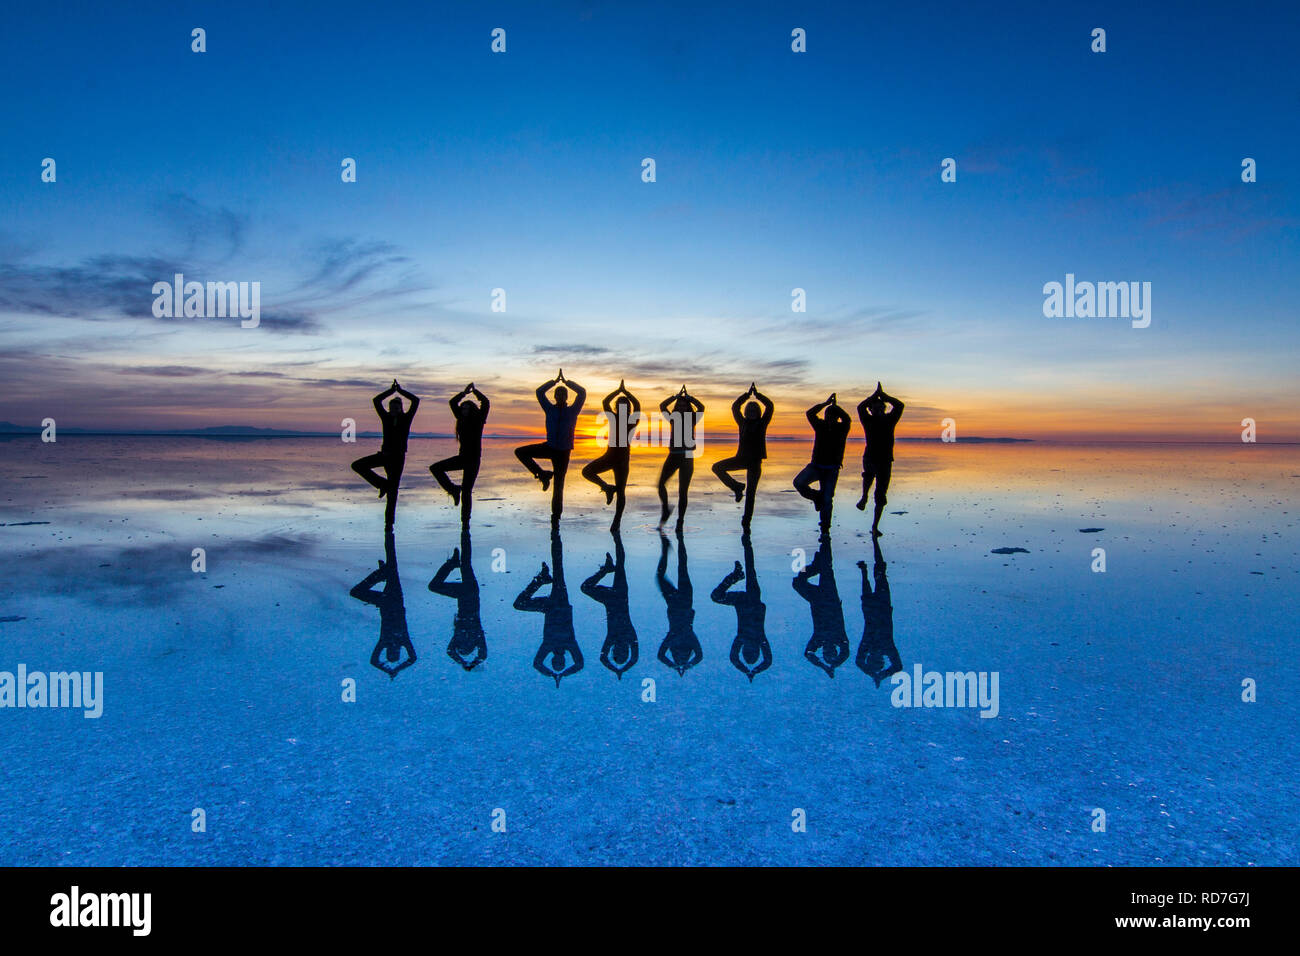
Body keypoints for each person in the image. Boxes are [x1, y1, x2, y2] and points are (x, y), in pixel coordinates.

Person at [515, 370, 586, 523]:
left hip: (564, 452)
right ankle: (542, 474)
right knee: (520, 452)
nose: (560, 397)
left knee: (558, 486)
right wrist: (553, 382)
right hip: (549, 447)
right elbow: (539, 392)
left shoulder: (573, 411)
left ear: (567, 397)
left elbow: (582, 392)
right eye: (558, 395)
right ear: (555, 397)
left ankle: (556, 518)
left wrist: (567, 383)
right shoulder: (549, 409)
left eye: (563, 395)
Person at [515, 528, 582, 686]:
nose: (558, 661)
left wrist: (552, 673)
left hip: (548, 608)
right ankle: (556, 538)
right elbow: (579, 664)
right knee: (559, 569)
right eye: (561, 663)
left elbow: (537, 664)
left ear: (552, 659)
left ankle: (540, 580)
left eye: (555, 663)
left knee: (519, 604)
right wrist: (563, 674)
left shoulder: (548, 646)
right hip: (561, 604)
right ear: (564, 659)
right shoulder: (570, 644)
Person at [351, 380, 420, 530]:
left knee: (393, 492)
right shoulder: (386, 417)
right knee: (357, 465)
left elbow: (415, 401)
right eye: (391, 407)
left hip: (398, 458)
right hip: (384, 454)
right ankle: (381, 484)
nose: (393, 409)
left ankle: (389, 523)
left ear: (401, 408)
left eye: (396, 407)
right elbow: (376, 401)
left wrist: (400, 391)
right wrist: (390, 391)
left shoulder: (406, 419)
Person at [350, 531, 416, 678]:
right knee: (392, 563)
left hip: (385, 602)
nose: (393, 649)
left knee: (356, 591)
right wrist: (393, 669)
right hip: (394, 600)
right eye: (394, 651)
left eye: (390, 651)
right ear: (397, 650)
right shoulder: (400, 639)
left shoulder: (388, 641)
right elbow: (412, 658)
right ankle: (383, 568)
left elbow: (374, 660)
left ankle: (382, 572)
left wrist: (393, 669)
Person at [711, 383, 774, 531]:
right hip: (741, 458)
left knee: (751, 494)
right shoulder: (742, 422)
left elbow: (770, 406)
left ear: (758, 412)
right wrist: (746, 396)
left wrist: (757, 396)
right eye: (749, 409)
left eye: (754, 409)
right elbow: (735, 407)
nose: (751, 411)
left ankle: (746, 523)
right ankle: (737, 487)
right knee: (717, 467)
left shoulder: (762, 423)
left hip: (755, 462)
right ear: (746, 412)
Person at [581, 380, 640, 531]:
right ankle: (606, 487)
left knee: (621, 491)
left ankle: (616, 522)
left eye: (625, 405)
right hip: (609, 456)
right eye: (620, 405)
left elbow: (637, 405)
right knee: (586, 472)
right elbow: (605, 401)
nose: (623, 407)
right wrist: (618, 391)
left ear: (628, 408)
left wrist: (626, 393)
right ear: (616, 407)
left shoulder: (633, 420)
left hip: (623, 460)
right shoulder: (612, 417)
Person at [712, 533, 771, 681]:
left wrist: (748, 670)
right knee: (751, 570)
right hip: (752, 599)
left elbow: (733, 658)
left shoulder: (744, 638)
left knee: (716, 596)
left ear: (744, 648)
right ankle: (747, 544)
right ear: (756, 649)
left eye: (747, 649)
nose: (749, 647)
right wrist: (752, 670)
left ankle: (736, 575)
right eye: (752, 650)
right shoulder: (759, 638)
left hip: (740, 601)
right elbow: (767, 661)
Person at [581, 530, 638, 679]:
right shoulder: (630, 637)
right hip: (620, 595)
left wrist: (618, 669)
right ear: (626, 650)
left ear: (614, 649)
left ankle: (606, 569)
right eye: (623, 652)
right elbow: (634, 658)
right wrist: (621, 669)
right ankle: (617, 539)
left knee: (585, 587)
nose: (620, 649)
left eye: (617, 652)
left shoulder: (612, 638)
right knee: (621, 564)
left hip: (609, 600)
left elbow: (603, 658)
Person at [429, 383, 489, 526]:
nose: (464, 410)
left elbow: (486, 402)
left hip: (473, 460)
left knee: (467, 491)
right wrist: (464, 392)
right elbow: (452, 402)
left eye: (467, 408)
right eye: (463, 408)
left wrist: (476, 392)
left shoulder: (479, 419)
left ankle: (465, 522)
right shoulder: (460, 418)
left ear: (472, 410)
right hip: (462, 458)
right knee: (435, 468)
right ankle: (453, 489)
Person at [428, 528, 486, 671]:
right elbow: (452, 652)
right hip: (468, 594)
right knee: (465, 564)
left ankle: (455, 556)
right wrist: (466, 663)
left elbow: (481, 655)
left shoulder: (474, 636)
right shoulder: (472, 635)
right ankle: (464, 534)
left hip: (466, 594)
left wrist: (468, 663)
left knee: (466, 564)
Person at [792, 393, 851, 531]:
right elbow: (810, 413)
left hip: (831, 469)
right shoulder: (820, 425)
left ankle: (825, 527)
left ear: (837, 417)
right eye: (827, 415)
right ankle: (816, 497)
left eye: (832, 415)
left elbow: (847, 418)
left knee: (828, 498)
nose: (829, 418)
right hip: (816, 466)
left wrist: (836, 407)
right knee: (799, 483)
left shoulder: (842, 428)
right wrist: (825, 404)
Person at [792, 535, 849, 677]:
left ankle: (815, 565)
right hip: (829, 598)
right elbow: (846, 653)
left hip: (817, 600)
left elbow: (808, 653)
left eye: (826, 652)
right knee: (827, 569)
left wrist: (826, 666)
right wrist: (832, 664)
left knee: (798, 582)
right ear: (835, 650)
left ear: (823, 650)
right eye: (832, 652)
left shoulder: (820, 639)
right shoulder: (839, 638)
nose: (828, 650)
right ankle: (825, 545)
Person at [856, 382, 905, 536]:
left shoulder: (890, 420)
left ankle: (875, 526)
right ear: (871, 410)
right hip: (870, 457)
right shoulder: (868, 420)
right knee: (868, 475)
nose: (878, 410)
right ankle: (864, 497)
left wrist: (883, 396)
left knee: (880, 495)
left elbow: (899, 405)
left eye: (880, 407)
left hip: (885, 460)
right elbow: (860, 408)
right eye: (874, 408)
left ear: (884, 409)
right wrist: (873, 397)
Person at [656, 384, 705, 530]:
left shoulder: (692, 418)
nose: (682, 407)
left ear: (688, 407)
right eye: (680, 405)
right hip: (673, 456)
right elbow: (662, 405)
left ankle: (680, 521)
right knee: (660, 485)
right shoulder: (672, 418)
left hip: (687, 458)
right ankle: (665, 509)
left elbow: (701, 407)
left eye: (685, 405)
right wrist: (675, 397)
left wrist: (690, 398)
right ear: (676, 407)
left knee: (683, 491)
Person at [656, 530, 702, 675]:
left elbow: (661, 655)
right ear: (687, 653)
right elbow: (699, 656)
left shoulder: (674, 637)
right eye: (684, 657)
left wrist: (678, 666)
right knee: (682, 568)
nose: (682, 656)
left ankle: (668, 548)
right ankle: (677, 543)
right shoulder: (687, 637)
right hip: (683, 601)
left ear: (675, 653)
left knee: (676, 570)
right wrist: (684, 666)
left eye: (679, 658)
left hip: (676, 602)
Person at [856, 537, 900, 686]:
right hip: (878, 607)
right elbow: (859, 662)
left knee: (879, 573)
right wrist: (875, 674)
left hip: (880, 607)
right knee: (877, 576)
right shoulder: (881, 646)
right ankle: (864, 569)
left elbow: (897, 666)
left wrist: (879, 674)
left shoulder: (884, 647)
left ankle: (865, 569)